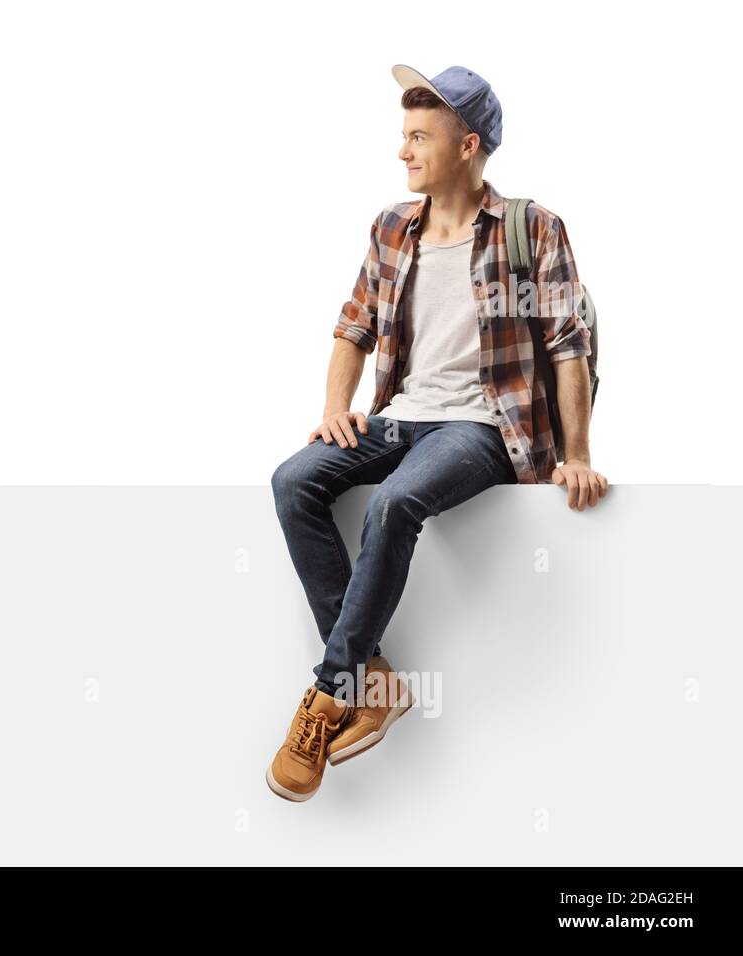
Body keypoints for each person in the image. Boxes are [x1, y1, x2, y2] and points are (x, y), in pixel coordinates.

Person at [266, 64, 608, 802]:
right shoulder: (394, 226)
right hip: (401, 415)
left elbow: (567, 344)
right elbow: (353, 324)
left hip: (484, 425)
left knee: (394, 504)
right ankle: (376, 681)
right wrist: (336, 407)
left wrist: (577, 455)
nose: (403, 152)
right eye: (403, 136)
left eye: (419, 137)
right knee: (294, 480)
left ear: (468, 145)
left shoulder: (531, 226)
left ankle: (329, 696)